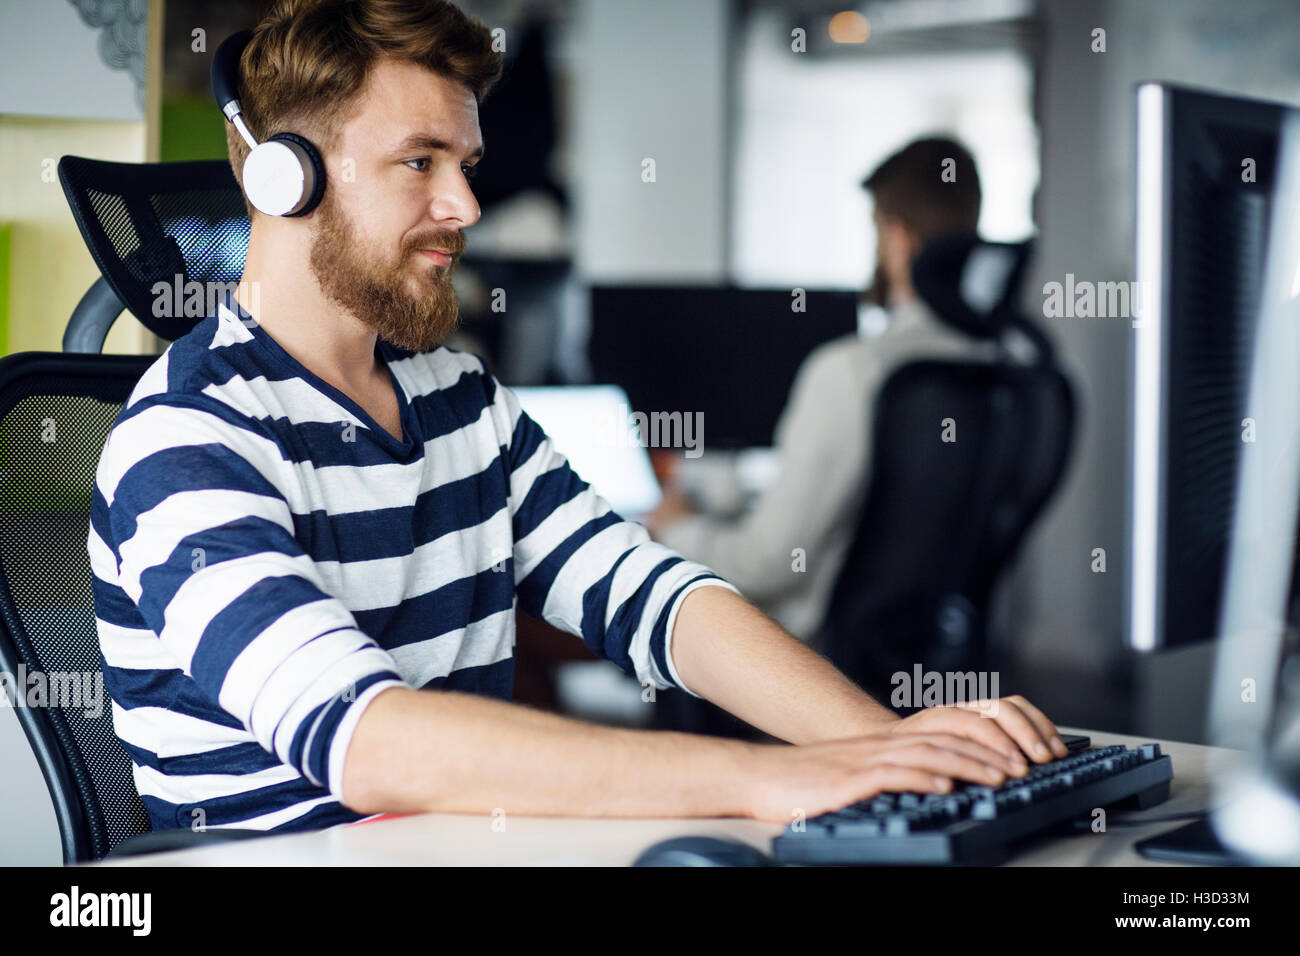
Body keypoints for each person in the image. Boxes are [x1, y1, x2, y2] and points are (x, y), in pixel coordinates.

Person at [89, 0, 1067, 834]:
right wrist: (769, 776)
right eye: (420, 161)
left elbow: (653, 593)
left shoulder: (459, 398)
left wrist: (882, 743)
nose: (465, 203)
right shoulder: (188, 439)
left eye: (465, 162)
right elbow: (364, 736)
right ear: (283, 178)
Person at [647, 137, 1002, 643]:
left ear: (897, 239)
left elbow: (767, 565)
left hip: (811, 654)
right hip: (930, 646)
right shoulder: (998, 364)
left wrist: (676, 525)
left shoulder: (853, 370)